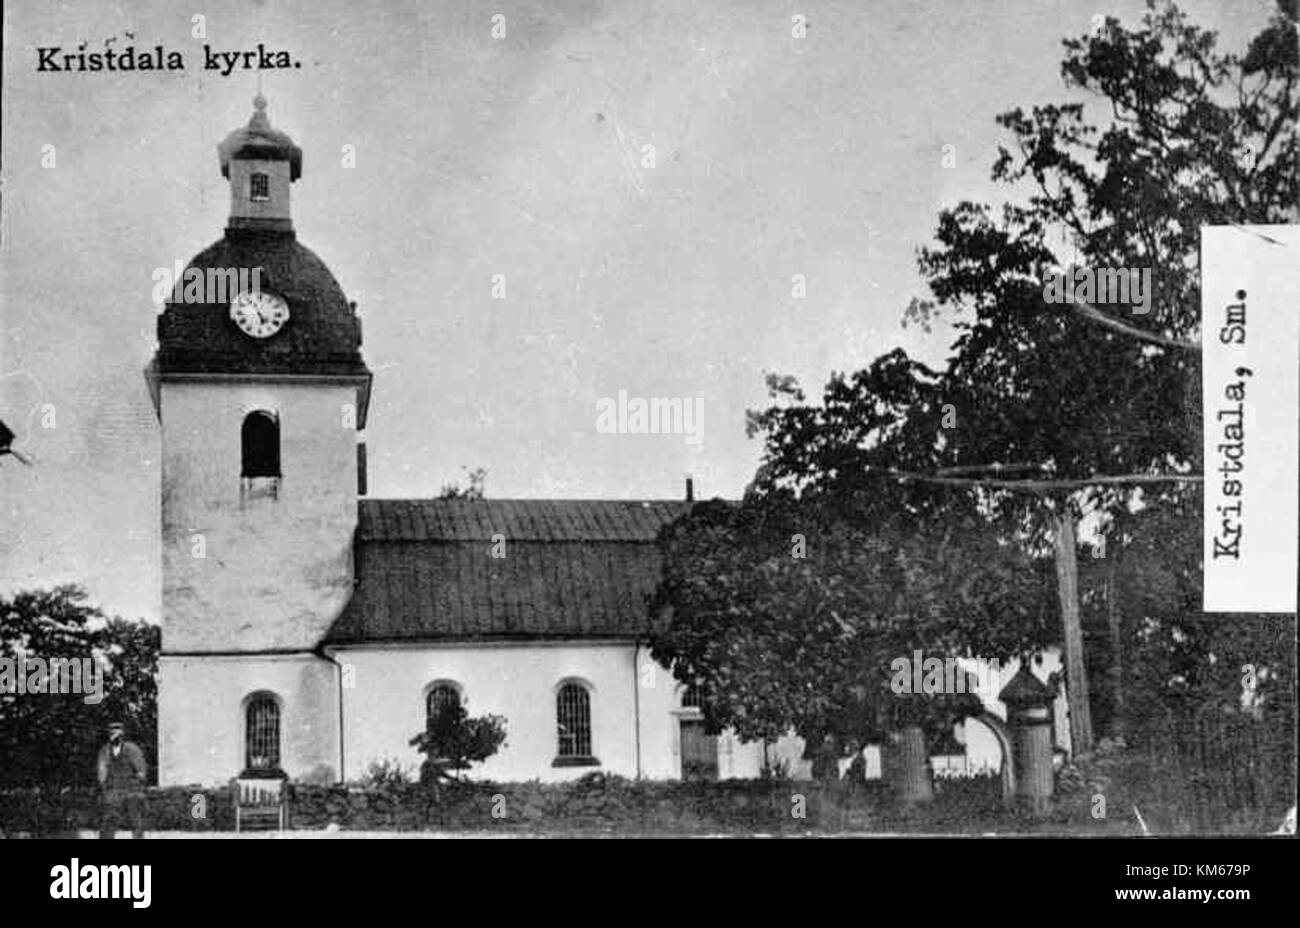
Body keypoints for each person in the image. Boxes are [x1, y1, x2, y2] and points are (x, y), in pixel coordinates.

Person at [97, 720, 147, 838]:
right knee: (109, 822)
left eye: (118, 733)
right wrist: (104, 788)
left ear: (123, 734)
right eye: (112, 733)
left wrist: (138, 787)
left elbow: (141, 771)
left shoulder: (132, 749)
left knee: (136, 822)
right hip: (113, 791)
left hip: (131, 790)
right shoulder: (105, 751)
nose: (115, 736)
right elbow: (101, 770)